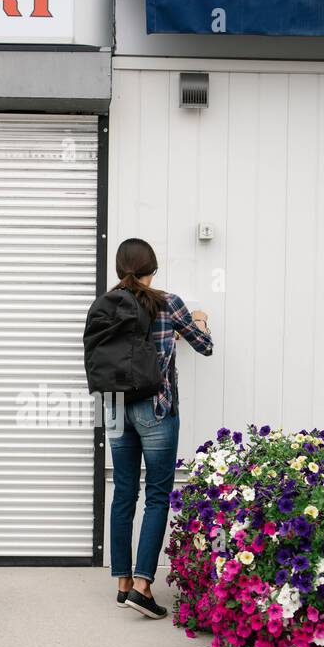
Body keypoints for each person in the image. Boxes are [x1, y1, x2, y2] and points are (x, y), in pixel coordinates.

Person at [106, 238, 213, 619]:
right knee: (156, 495)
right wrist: (198, 321)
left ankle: (121, 582)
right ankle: (142, 586)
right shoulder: (169, 303)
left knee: (123, 493)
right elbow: (205, 346)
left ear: (120, 270)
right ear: (152, 268)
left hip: (116, 407)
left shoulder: (107, 305)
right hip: (156, 407)